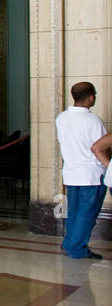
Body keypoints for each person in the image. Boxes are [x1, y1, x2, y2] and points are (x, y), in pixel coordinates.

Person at [58, 82, 107, 260]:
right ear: (91, 97)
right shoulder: (93, 120)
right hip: (91, 175)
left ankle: (69, 242)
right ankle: (76, 248)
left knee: (75, 212)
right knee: (87, 215)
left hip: (71, 173)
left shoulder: (61, 118)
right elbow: (100, 147)